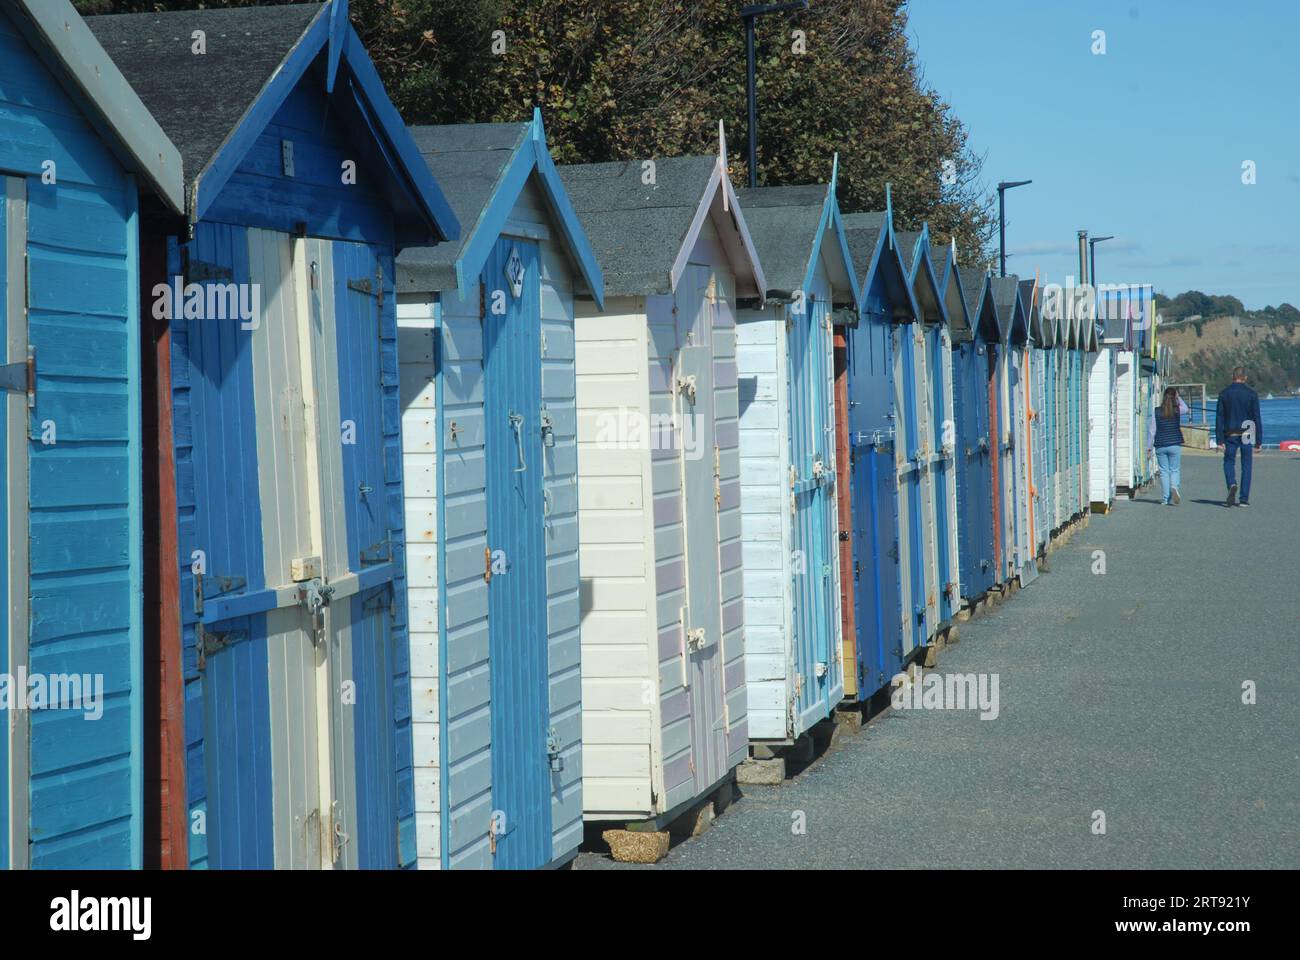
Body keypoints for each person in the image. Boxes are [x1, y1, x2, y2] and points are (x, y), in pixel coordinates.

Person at [1214, 367, 1262, 506]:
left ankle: (1231, 483)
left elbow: (1219, 418)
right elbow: (1256, 418)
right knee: (1246, 465)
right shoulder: (1251, 394)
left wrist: (1219, 440)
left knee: (1229, 461)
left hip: (1230, 432)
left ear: (1233, 376)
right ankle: (1244, 499)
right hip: (1247, 433)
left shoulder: (1224, 394)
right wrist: (1258, 441)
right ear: (1245, 377)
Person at [1148, 386, 1188, 505]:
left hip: (1160, 444)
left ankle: (1166, 498)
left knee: (1164, 472)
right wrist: (1178, 397)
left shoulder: (1157, 411)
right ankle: (1174, 487)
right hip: (1174, 443)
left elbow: (1152, 431)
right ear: (1174, 397)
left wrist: (1149, 448)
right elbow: (1186, 408)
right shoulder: (1177, 410)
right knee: (1174, 469)